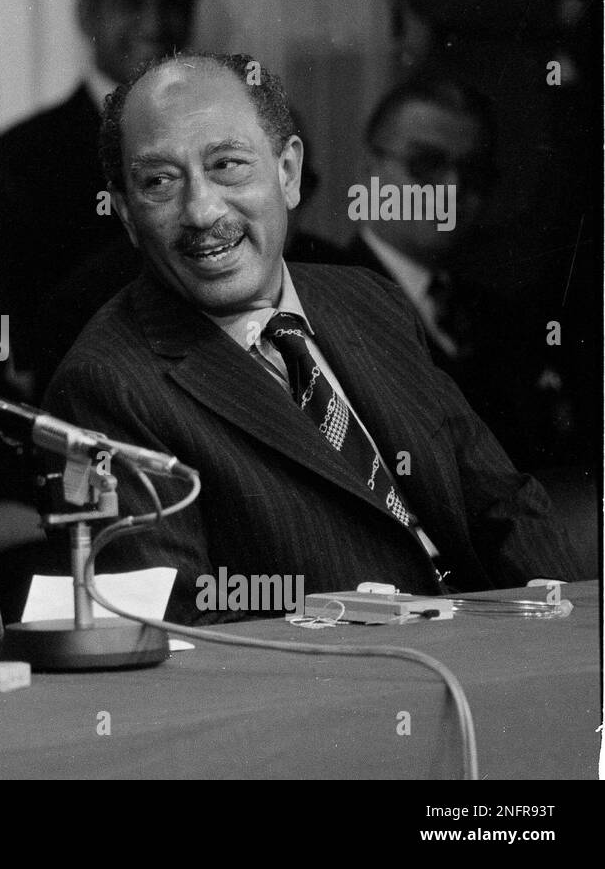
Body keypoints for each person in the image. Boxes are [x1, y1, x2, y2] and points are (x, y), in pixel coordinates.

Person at [44, 53, 583, 625]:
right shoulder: (106, 386)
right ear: (127, 215)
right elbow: (187, 636)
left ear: (289, 172)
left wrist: (577, 636)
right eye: (159, 182)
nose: (201, 210)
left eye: (228, 165)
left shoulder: (368, 301)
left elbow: (501, 503)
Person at [288, 73, 582, 470]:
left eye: (473, 170)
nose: (452, 186)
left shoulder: (504, 315)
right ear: (368, 168)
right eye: (426, 164)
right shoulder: (320, 300)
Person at [0, 0, 201, 403]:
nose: (154, 25)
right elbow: (25, 333)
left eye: (171, 4)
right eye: (130, 4)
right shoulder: (21, 156)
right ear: (86, 15)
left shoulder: (220, 141)